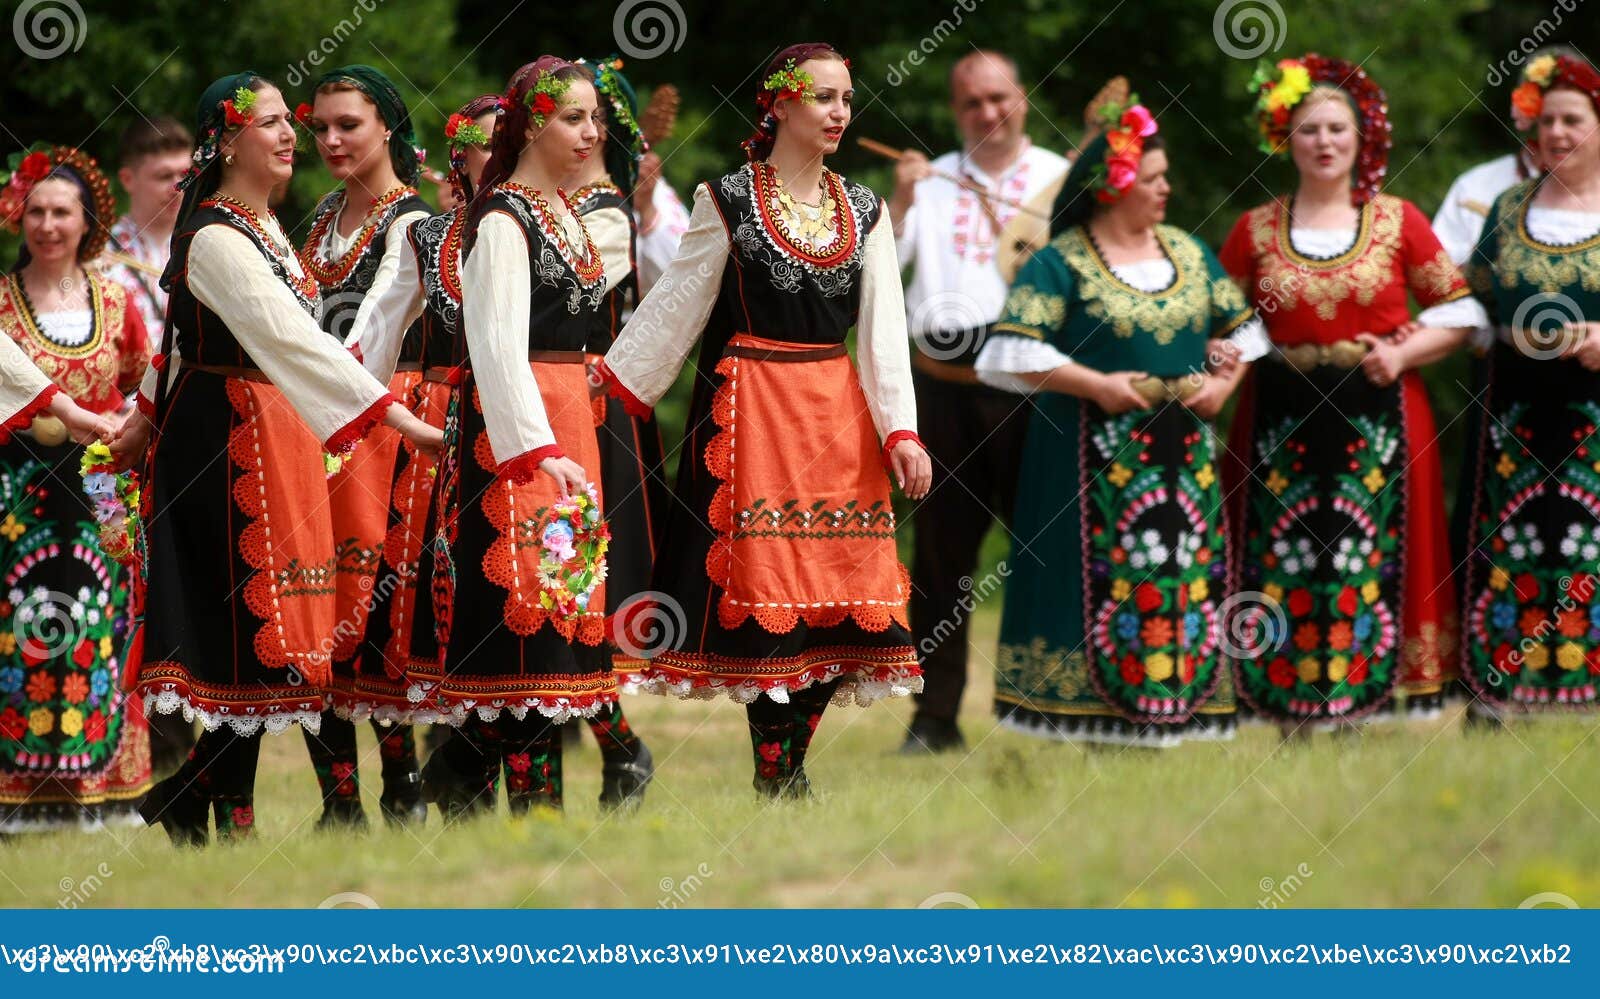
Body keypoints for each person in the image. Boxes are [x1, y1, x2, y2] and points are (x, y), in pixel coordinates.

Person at [113, 71, 441, 846]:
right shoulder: (218, 236)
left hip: (276, 430)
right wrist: (396, 416)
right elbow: (289, 342)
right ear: (227, 141)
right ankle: (223, 815)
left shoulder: (258, 227)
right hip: (225, 438)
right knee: (252, 639)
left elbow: (217, 339)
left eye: (289, 122)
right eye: (272, 123)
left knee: (283, 635)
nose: (294, 136)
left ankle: (198, 804)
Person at [596, 43, 931, 798]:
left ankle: (791, 765)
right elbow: (678, 303)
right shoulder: (730, 201)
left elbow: (882, 329)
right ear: (779, 105)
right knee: (773, 599)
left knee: (846, 600)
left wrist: (900, 429)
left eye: (847, 98)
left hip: (836, 416)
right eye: (823, 97)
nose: (839, 111)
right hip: (755, 414)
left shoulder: (867, 210)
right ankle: (777, 775)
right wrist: (614, 386)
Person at [975, 100, 1266, 745]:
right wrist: (1096, 385)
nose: (1168, 188)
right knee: (1095, 580)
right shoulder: (1062, 262)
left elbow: (1245, 331)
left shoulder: (1188, 253)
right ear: (1114, 186)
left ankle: (1169, 710)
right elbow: (1012, 350)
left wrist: (1224, 384)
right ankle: (1095, 717)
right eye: (1155, 177)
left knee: (1176, 577)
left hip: (1181, 462)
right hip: (1087, 460)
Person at [1219, 55, 1482, 734]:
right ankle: (1284, 695)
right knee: (1285, 549)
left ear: (1361, 139)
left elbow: (1460, 311)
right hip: (1280, 417)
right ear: (1286, 138)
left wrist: (1401, 352)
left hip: (1381, 415)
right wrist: (1227, 352)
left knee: (1369, 551)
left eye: (1337, 129)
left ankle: (1367, 696)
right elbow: (1222, 319)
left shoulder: (1399, 221)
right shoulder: (1254, 229)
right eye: (1309, 130)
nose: (1324, 142)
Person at [407, 58, 620, 817]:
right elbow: (494, 340)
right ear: (531, 124)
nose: (591, 131)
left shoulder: (562, 210)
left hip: (567, 425)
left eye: (595, 118)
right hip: (519, 432)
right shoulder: (504, 217)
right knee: (520, 617)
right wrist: (534, 448)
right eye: (573, 118)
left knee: (560, 607)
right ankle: (528, 810)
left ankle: (480, 787)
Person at [886, 50, 1070, 753]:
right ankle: (934, 717)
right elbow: (881, 265)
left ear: (1022, 96)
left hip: (1036, 387)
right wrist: (899, 201)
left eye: (999, 98)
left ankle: (1050, 704)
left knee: (1048, 551)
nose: (988, 113)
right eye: (972, 103)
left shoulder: (1060, 179)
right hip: (945, 388)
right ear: (956, 109)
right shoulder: (928, 182)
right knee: (940, 558)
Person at [0, 144, 154, 831]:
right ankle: (19, 793)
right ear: (17, 216)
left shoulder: (118, 301)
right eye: (35, 210)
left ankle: (98, 785)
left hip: (98, 494)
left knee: (103, 623)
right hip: (17, 498)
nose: (47, 224)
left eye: (61, 211)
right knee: (20, 631)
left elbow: (142, 388)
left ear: (86, 219)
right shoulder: (0, 304)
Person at [297, 64, 433, 831]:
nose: (331, 140)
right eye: (320, 127)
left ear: (387, 123)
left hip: (387, 422)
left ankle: (401, 779)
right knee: (319, 596)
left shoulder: (410, 220)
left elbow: (371, 332)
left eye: (347, 124)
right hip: (320, 425)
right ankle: (338, 797)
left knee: (378, 603)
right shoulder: (321, 219)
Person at [1457, 53, 1600, 717]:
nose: (1558, 132)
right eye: (1547, 121)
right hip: (1514, 412)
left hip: (1593, 413)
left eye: (1574, 119)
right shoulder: (1509, 206)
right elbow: (1470, 300)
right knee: (1515, 547)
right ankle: (1506, 696)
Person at [563, 54, 659, 808]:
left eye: (590, 116)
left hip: (588, 402)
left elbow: (573, 294)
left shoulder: (605, 211)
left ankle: (620, 743)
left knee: (574, 577)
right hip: (525, 395)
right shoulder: (527, 202)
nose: (579, 129)